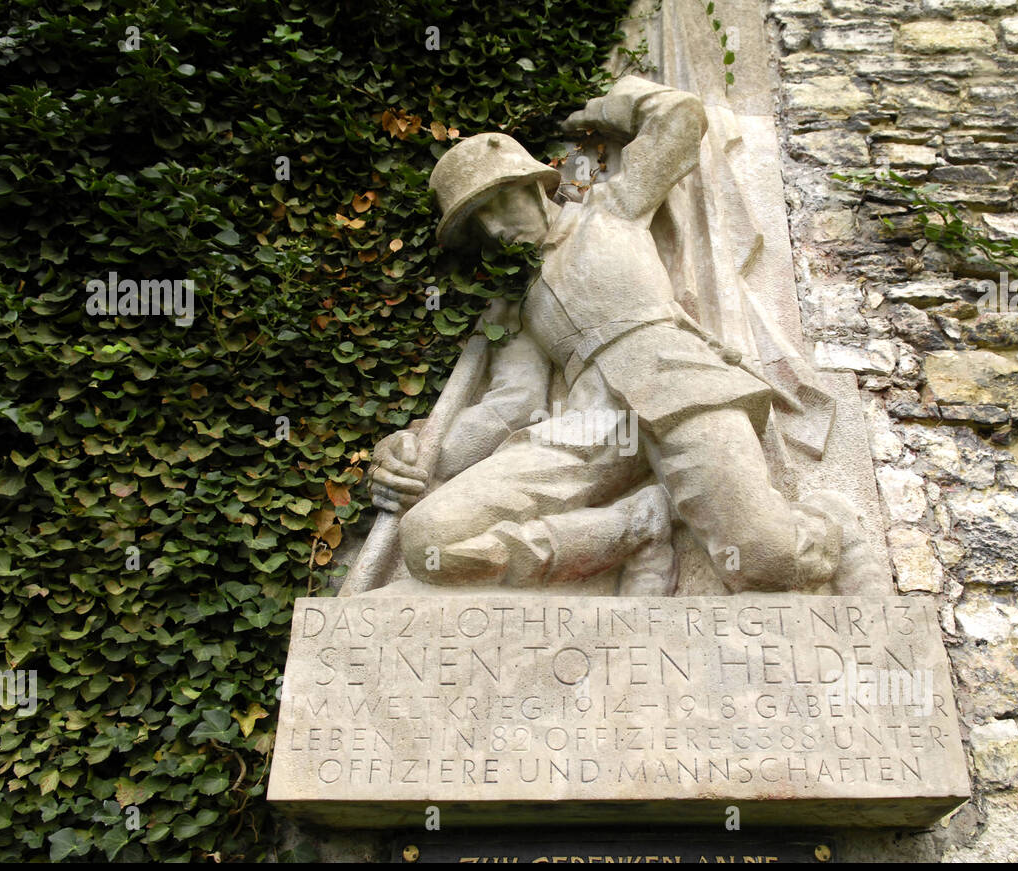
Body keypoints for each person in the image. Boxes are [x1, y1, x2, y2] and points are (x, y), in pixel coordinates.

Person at [369, 76, 880, 595]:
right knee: (429, 538)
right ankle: (636, 525)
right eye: (477, 222)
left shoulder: (610, 210)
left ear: (529, 184)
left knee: (766, 561)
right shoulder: (514, 303)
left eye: (495, 204)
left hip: (683, 386)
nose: (493, 229)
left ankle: (827, 522)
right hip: (587, 428)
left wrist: (606, 103)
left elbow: (681, 117)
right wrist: (421, 456)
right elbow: (510, 404)